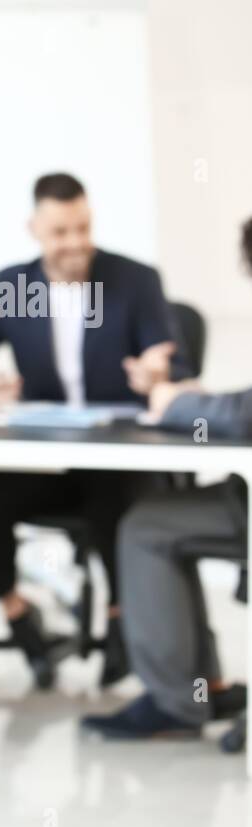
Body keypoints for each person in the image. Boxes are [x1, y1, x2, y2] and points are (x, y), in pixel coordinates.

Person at [0, 172, 190, 688]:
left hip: (120, 462)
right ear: (35, 230)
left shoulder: (135, 281)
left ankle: (120, 624)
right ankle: (17, 612)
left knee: (109, 493)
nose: (75, 244)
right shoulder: (14, 286)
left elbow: (177, 370)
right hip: (55, 461)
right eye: (60, 232)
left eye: (83, 228)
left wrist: (159, 375)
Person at [82, 217, 252, 738]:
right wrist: (192, 397)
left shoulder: (133, 281)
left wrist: (176, 403)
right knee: (157, 516)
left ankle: (178, 702)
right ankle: (201, 688)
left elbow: (245, 417)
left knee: (148, 527)